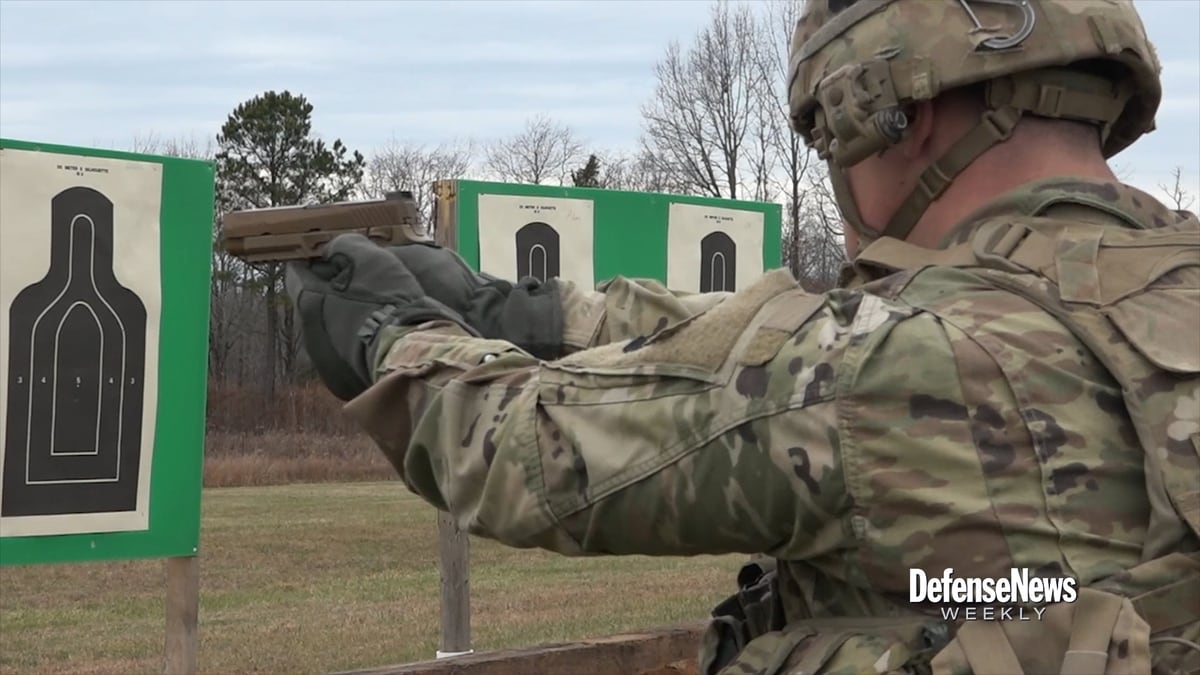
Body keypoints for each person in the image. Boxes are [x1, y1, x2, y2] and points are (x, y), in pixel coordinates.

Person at [285, 0, 1200, 672]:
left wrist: (391, 338)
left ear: (897, 114)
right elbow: (756, 340)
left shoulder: (892, 363)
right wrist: (527, 315)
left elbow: (520, 453)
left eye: (824, 139)